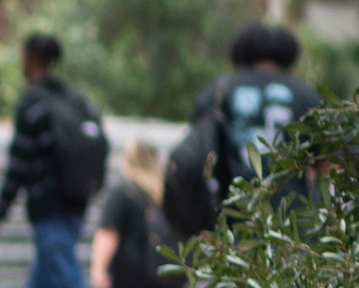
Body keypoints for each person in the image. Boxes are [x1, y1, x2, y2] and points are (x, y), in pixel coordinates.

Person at [0, 34, 96, 288]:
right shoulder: (74, 99)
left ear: (32, 59)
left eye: (22, 56)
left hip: (49, 206)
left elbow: (18, 164)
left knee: (66, 276)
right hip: (77, 202)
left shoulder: (33, 102)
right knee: (44, 277)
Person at [196, 25, 322, 195]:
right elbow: (330, 164)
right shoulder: (307, 97)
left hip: (227, 212)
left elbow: (195, 155)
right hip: (290, 215)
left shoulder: (216, 92)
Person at [88, 141, 182, 288]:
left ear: (127, 161)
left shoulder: (122, 193)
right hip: (164, 274)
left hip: (129, 276)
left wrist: (98, 271)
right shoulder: (167, 194)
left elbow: (108, 235)